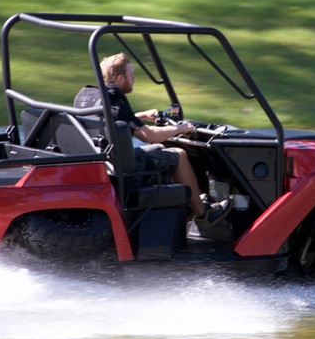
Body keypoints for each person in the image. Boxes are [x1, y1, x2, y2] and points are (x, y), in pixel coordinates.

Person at [91, 52, 230, 229]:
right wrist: (181, 128)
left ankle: (186, 205)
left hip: (107, 163)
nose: (134, 79)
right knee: (178, 154)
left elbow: (116, 120)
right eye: (131, 75)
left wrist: (141, 115)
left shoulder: (98, 98)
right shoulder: (116, 102)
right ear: (120, 78)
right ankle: (204, 214)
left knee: (161, 148)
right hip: (123, 168)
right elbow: (148, 135)